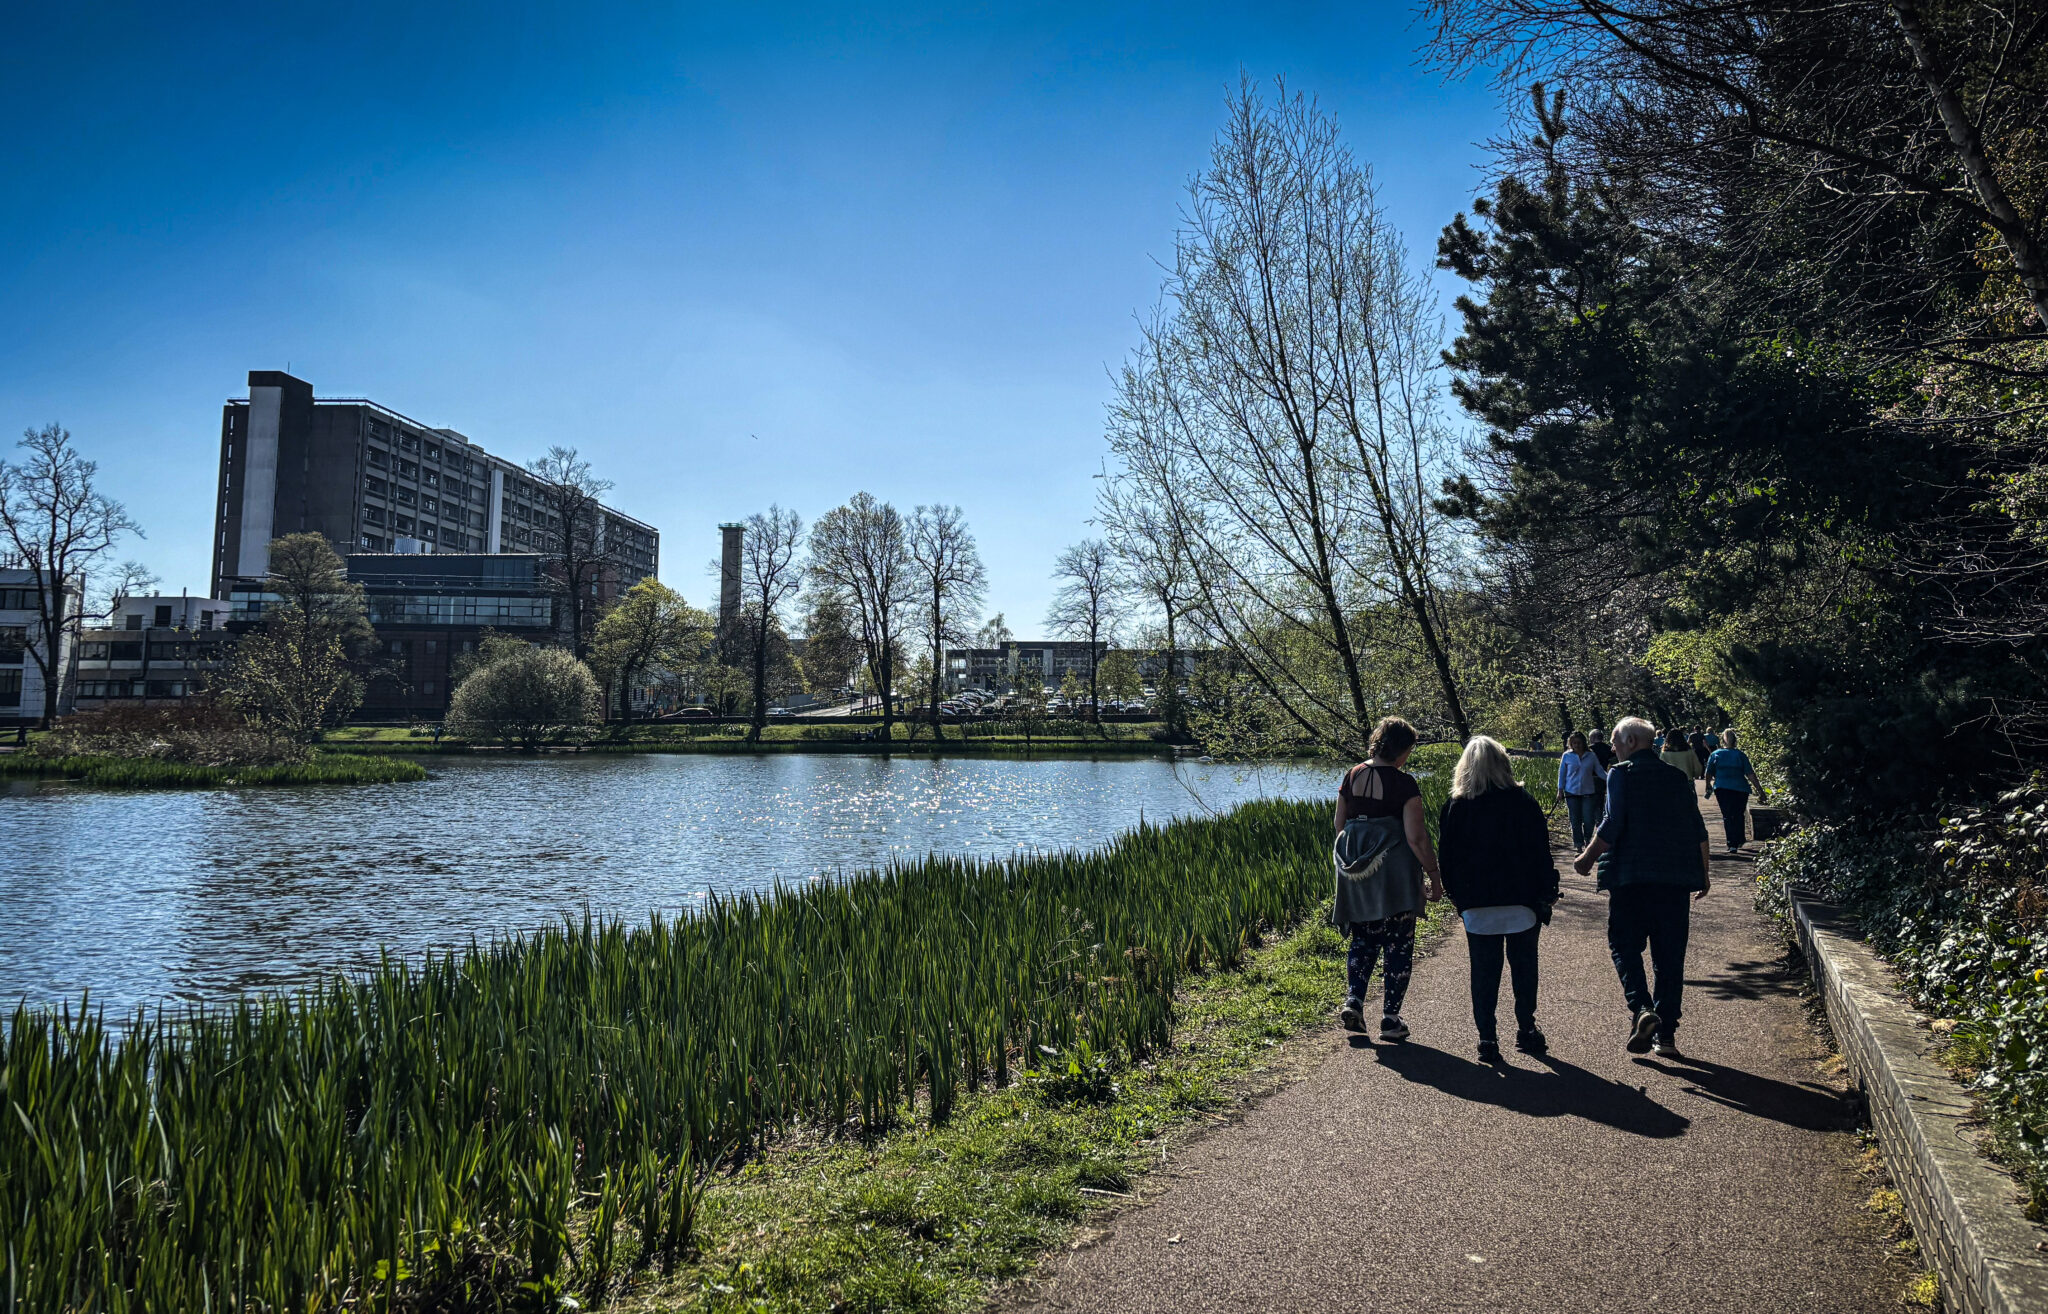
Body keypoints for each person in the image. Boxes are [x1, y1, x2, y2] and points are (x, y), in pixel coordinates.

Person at [1573, 717, 1711, 1058]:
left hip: (1629, 877)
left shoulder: (1622, 774)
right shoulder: (1677, 778)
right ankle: (1667, 1037)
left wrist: (1587, 858)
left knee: (1624, 946)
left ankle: (1642, 1008)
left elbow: (1613, 822)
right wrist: (1704, 875)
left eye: (1617, 743)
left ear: (1632, 742)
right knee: (1669, 957)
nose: (1614, 749)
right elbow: (1698, 829)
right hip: (1675, 880)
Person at [1440, 735, 1560, 1063]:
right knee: (1524, 969)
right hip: (1521, 902)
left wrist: (1459, 901)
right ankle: (1526, 1029)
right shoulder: (1523, 802)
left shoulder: (1455, 807)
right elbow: (1541, 855)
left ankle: (1487, 1038)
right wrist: (1547, 892)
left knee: (1483, 973)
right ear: (1503, 763)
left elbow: (1446, 861)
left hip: (1477, 905)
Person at [1332, 716, 1442, 1042]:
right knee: (1398, 941)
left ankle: (1354, 999)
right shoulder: (1404, 783)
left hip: (1357, 871)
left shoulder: (1351, 776)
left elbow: (1339, 825)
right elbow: (1416, 838)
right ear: (1400, 750)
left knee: (1363, 938)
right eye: (1409, 750)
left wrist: (1358, 856)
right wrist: (1434, 876)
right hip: (1395, 874)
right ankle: (1391, 1020)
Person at [1703, 728, 1768, 853]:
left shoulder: (1716, 754)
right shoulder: (1740, 755)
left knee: (1727, 815)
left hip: (1722, 788)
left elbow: (1709, 772)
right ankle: (1739, 839)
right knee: (1738, 814)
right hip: (1740, 788)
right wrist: (1760, 790)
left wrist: (1707, 785)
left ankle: (1731, 843)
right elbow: (1750, 774)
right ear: (1735, 740)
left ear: (1722, 740)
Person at [1556, 731, 1609, 850]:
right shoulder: (1567, 756)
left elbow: (1599, 771)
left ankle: (1587, 840)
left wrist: (1610, 778)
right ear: (1570, 744)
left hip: (1588, 792)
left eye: (1579, 743)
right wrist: (1560, 790)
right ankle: (1578, 845)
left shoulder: (1591, 756)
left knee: (1589, 820)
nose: (1577, 745)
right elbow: (1562, 774)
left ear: (1584, 743)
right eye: (1574, 743)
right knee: (1575, 820)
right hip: (1571, 791)